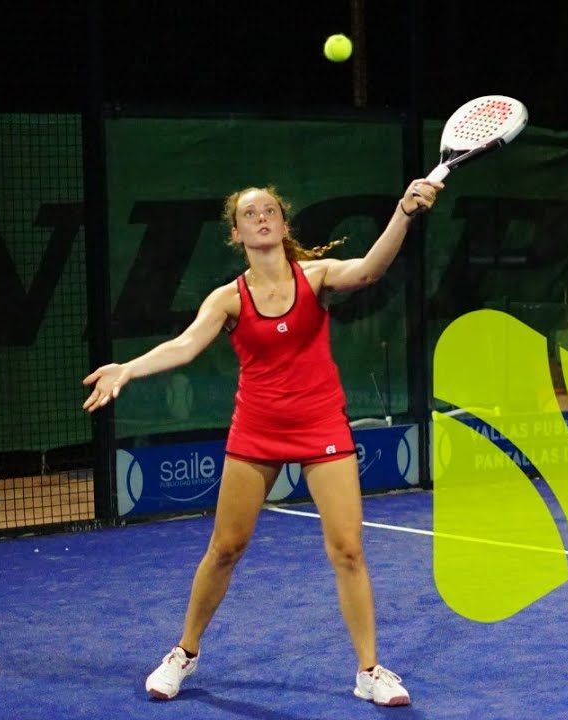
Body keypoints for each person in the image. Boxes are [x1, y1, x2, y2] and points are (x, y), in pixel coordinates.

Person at [82, 176, 443, 707]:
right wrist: (128, 369)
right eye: (250, 214)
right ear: (236, 233)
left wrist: (404, 213)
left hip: (321, 424)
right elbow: (184, 346)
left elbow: (369, 269)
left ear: (283, 223)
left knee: (348, 549)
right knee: (226, 548)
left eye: (269, 210)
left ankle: (369, 670)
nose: (261, 218)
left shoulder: (316, 277)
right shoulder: (227, 299)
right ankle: (184, 652)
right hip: (257, 429)